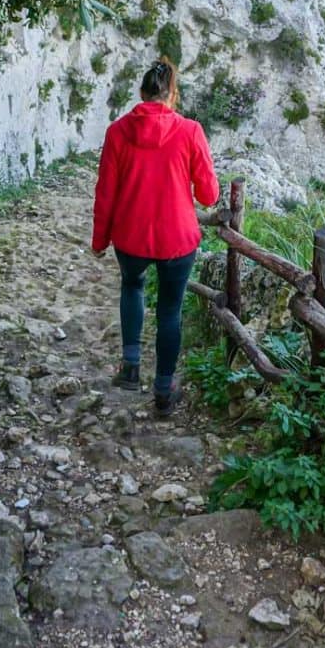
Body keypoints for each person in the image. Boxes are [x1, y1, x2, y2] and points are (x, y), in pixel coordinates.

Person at [90, 56, 220, 416]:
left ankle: (130, 367)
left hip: (130, 236)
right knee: (170, 311)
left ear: (142, 94)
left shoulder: (117, 132)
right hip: (177, 238)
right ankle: (164, 389)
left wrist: (100, 240)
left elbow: (106, 192)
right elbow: (209, 196)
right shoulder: (191, 131)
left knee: (132, 286)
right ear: (171, 94)